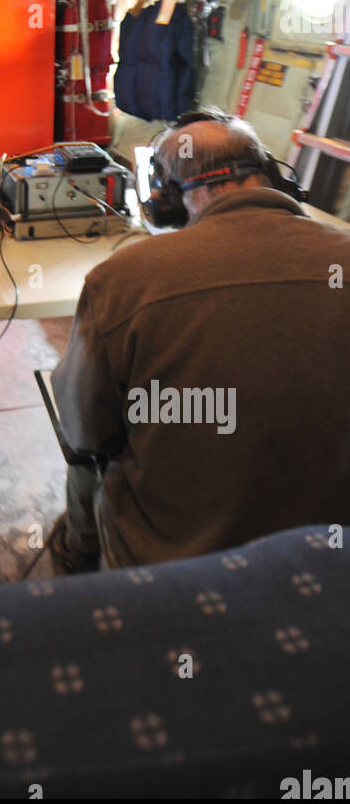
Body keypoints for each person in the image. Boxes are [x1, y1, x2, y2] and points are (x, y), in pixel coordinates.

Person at [46, 110, 350, 573]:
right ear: (270, 176)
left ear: (166, 199)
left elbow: (84, 431)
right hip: (325, 557)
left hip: (174, 569)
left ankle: (78, 565)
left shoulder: (123, 280)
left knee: (88, 442)